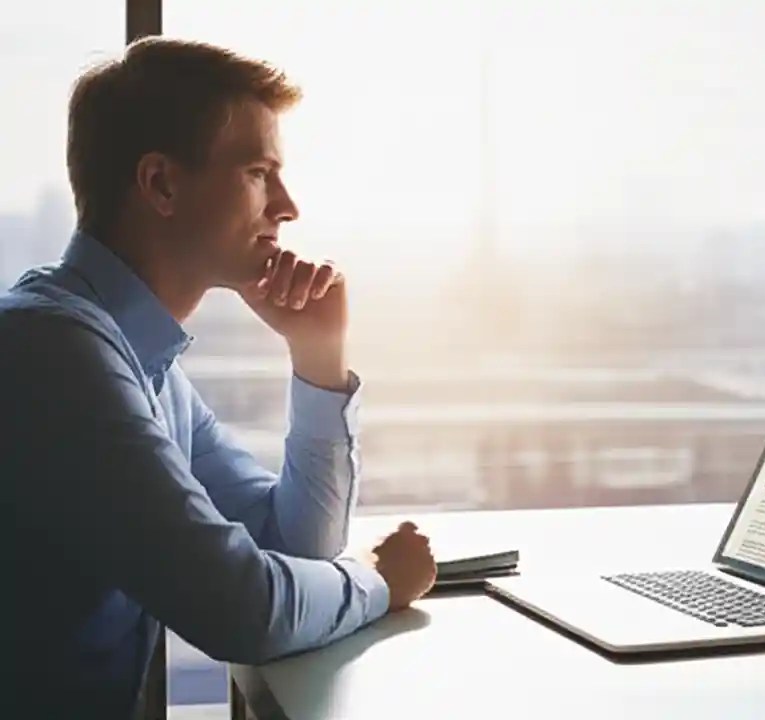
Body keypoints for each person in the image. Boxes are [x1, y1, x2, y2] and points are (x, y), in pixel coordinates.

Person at [0, 37, 438, 718]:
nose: (287, 206)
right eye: (260, 172)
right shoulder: (53, 353)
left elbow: (295, 546)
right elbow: (240, 609)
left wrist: (317, 357)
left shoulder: (140, 364)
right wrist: (378, 581)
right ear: (161, 184)